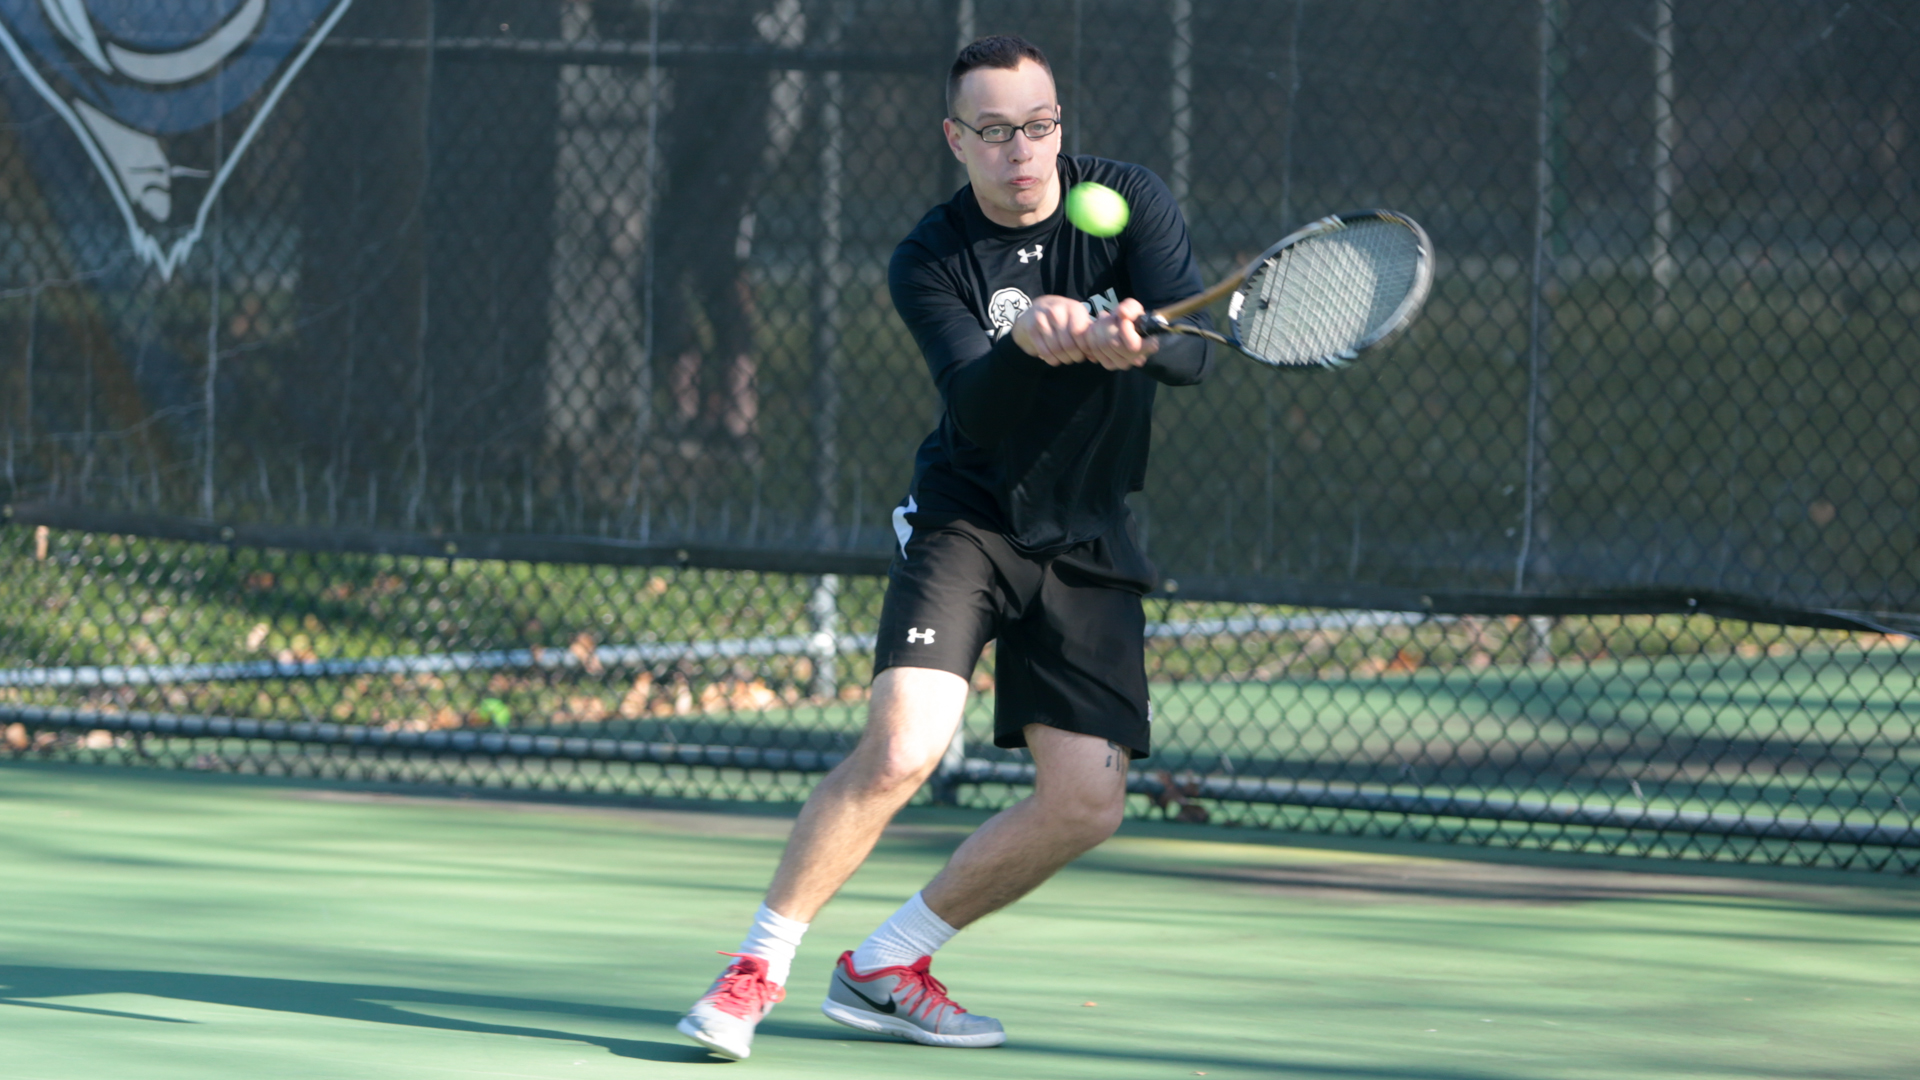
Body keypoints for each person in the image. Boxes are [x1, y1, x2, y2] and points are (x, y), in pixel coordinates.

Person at [677, 33, 1213, 1061]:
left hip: (1091, 531)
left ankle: (888, 964)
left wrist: (1139, 338)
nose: (1026, 151)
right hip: (968, 521)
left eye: (1042, 125)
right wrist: (1031, 340)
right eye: (998, 132)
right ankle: (756, 970)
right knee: (904, 748)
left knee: (1088, 802)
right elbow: (974, 403)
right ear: (956, 139)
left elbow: (1191, 354)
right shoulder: (930, 256)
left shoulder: (1129, 200)